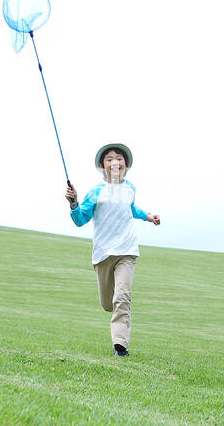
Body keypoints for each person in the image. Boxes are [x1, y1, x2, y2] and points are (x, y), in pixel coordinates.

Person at [65, 144, 160, 357]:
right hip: (103, 254)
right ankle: (116, 321)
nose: (115, 162)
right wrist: (73, 203)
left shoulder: (130, 189)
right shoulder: (96, 192)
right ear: (102, 165)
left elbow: (131, 208)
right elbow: (81, 219)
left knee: (122, 298)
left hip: (127, 251)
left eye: (119, 158)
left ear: (126, 164)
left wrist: (148, 216)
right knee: (109, 303)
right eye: (109, 159)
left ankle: (120, 346)